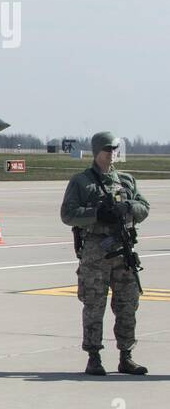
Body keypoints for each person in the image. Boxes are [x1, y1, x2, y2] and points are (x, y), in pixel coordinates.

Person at [60, 132, 150, 375]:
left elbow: (144, 207)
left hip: (123, 251)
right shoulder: (82, 182)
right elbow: (68, 214)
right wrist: (97, 214)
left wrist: (127, 206)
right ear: (97, 151)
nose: (112, 154)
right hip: (96, 252)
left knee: (127, 305)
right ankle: (94, 356)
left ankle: (126, 355)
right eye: (108, 149)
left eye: (114, 149)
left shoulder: (126, 180)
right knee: (94, 305)